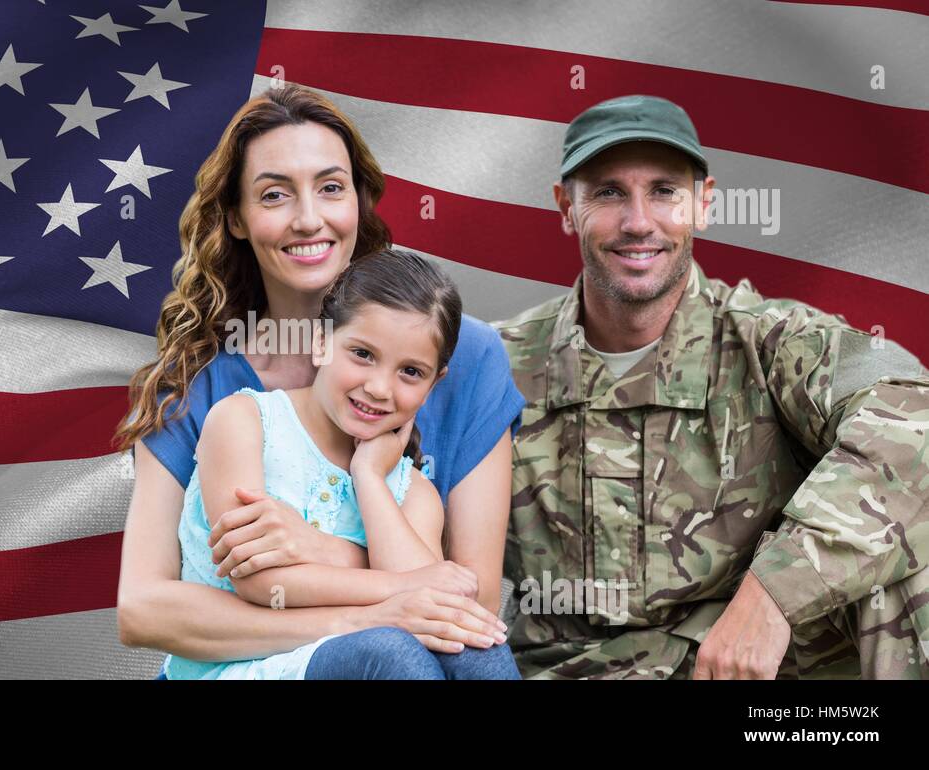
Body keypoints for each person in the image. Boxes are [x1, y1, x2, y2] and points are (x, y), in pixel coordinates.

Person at [495, 94, 929, 679]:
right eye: (607, 192)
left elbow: (914, 416)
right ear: (565, 207)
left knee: (908, 553)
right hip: (573, 671)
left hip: (750, 677)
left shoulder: (769, 341)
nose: (638, 221)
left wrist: (774, 592)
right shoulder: (494, 364)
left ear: (703, 202)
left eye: (665, 191)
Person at [114, 85, 525, 669]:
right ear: (235, 216)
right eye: (275, 195)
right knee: (387, 649)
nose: (309, 219)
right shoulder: (202, 389)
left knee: (476, 649)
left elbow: (469, 602)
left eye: (331, 188)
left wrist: (322, 550)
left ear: (358, 201)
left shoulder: (470, 356)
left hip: (424, 655)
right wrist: (365, 616)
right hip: (289, 664)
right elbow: (144, 610)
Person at [165, 249, 521, 679]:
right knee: (390, 651)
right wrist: (397, 590)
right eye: (363, 354)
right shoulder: (246, 423)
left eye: (410, 371)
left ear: (434, 383)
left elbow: (441, 604)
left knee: (474, 641)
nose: (379, 387)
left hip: (355, 659)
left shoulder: (414, 492)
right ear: (320, 342)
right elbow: (261, 583)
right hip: (238, 666)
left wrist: (369, 477)